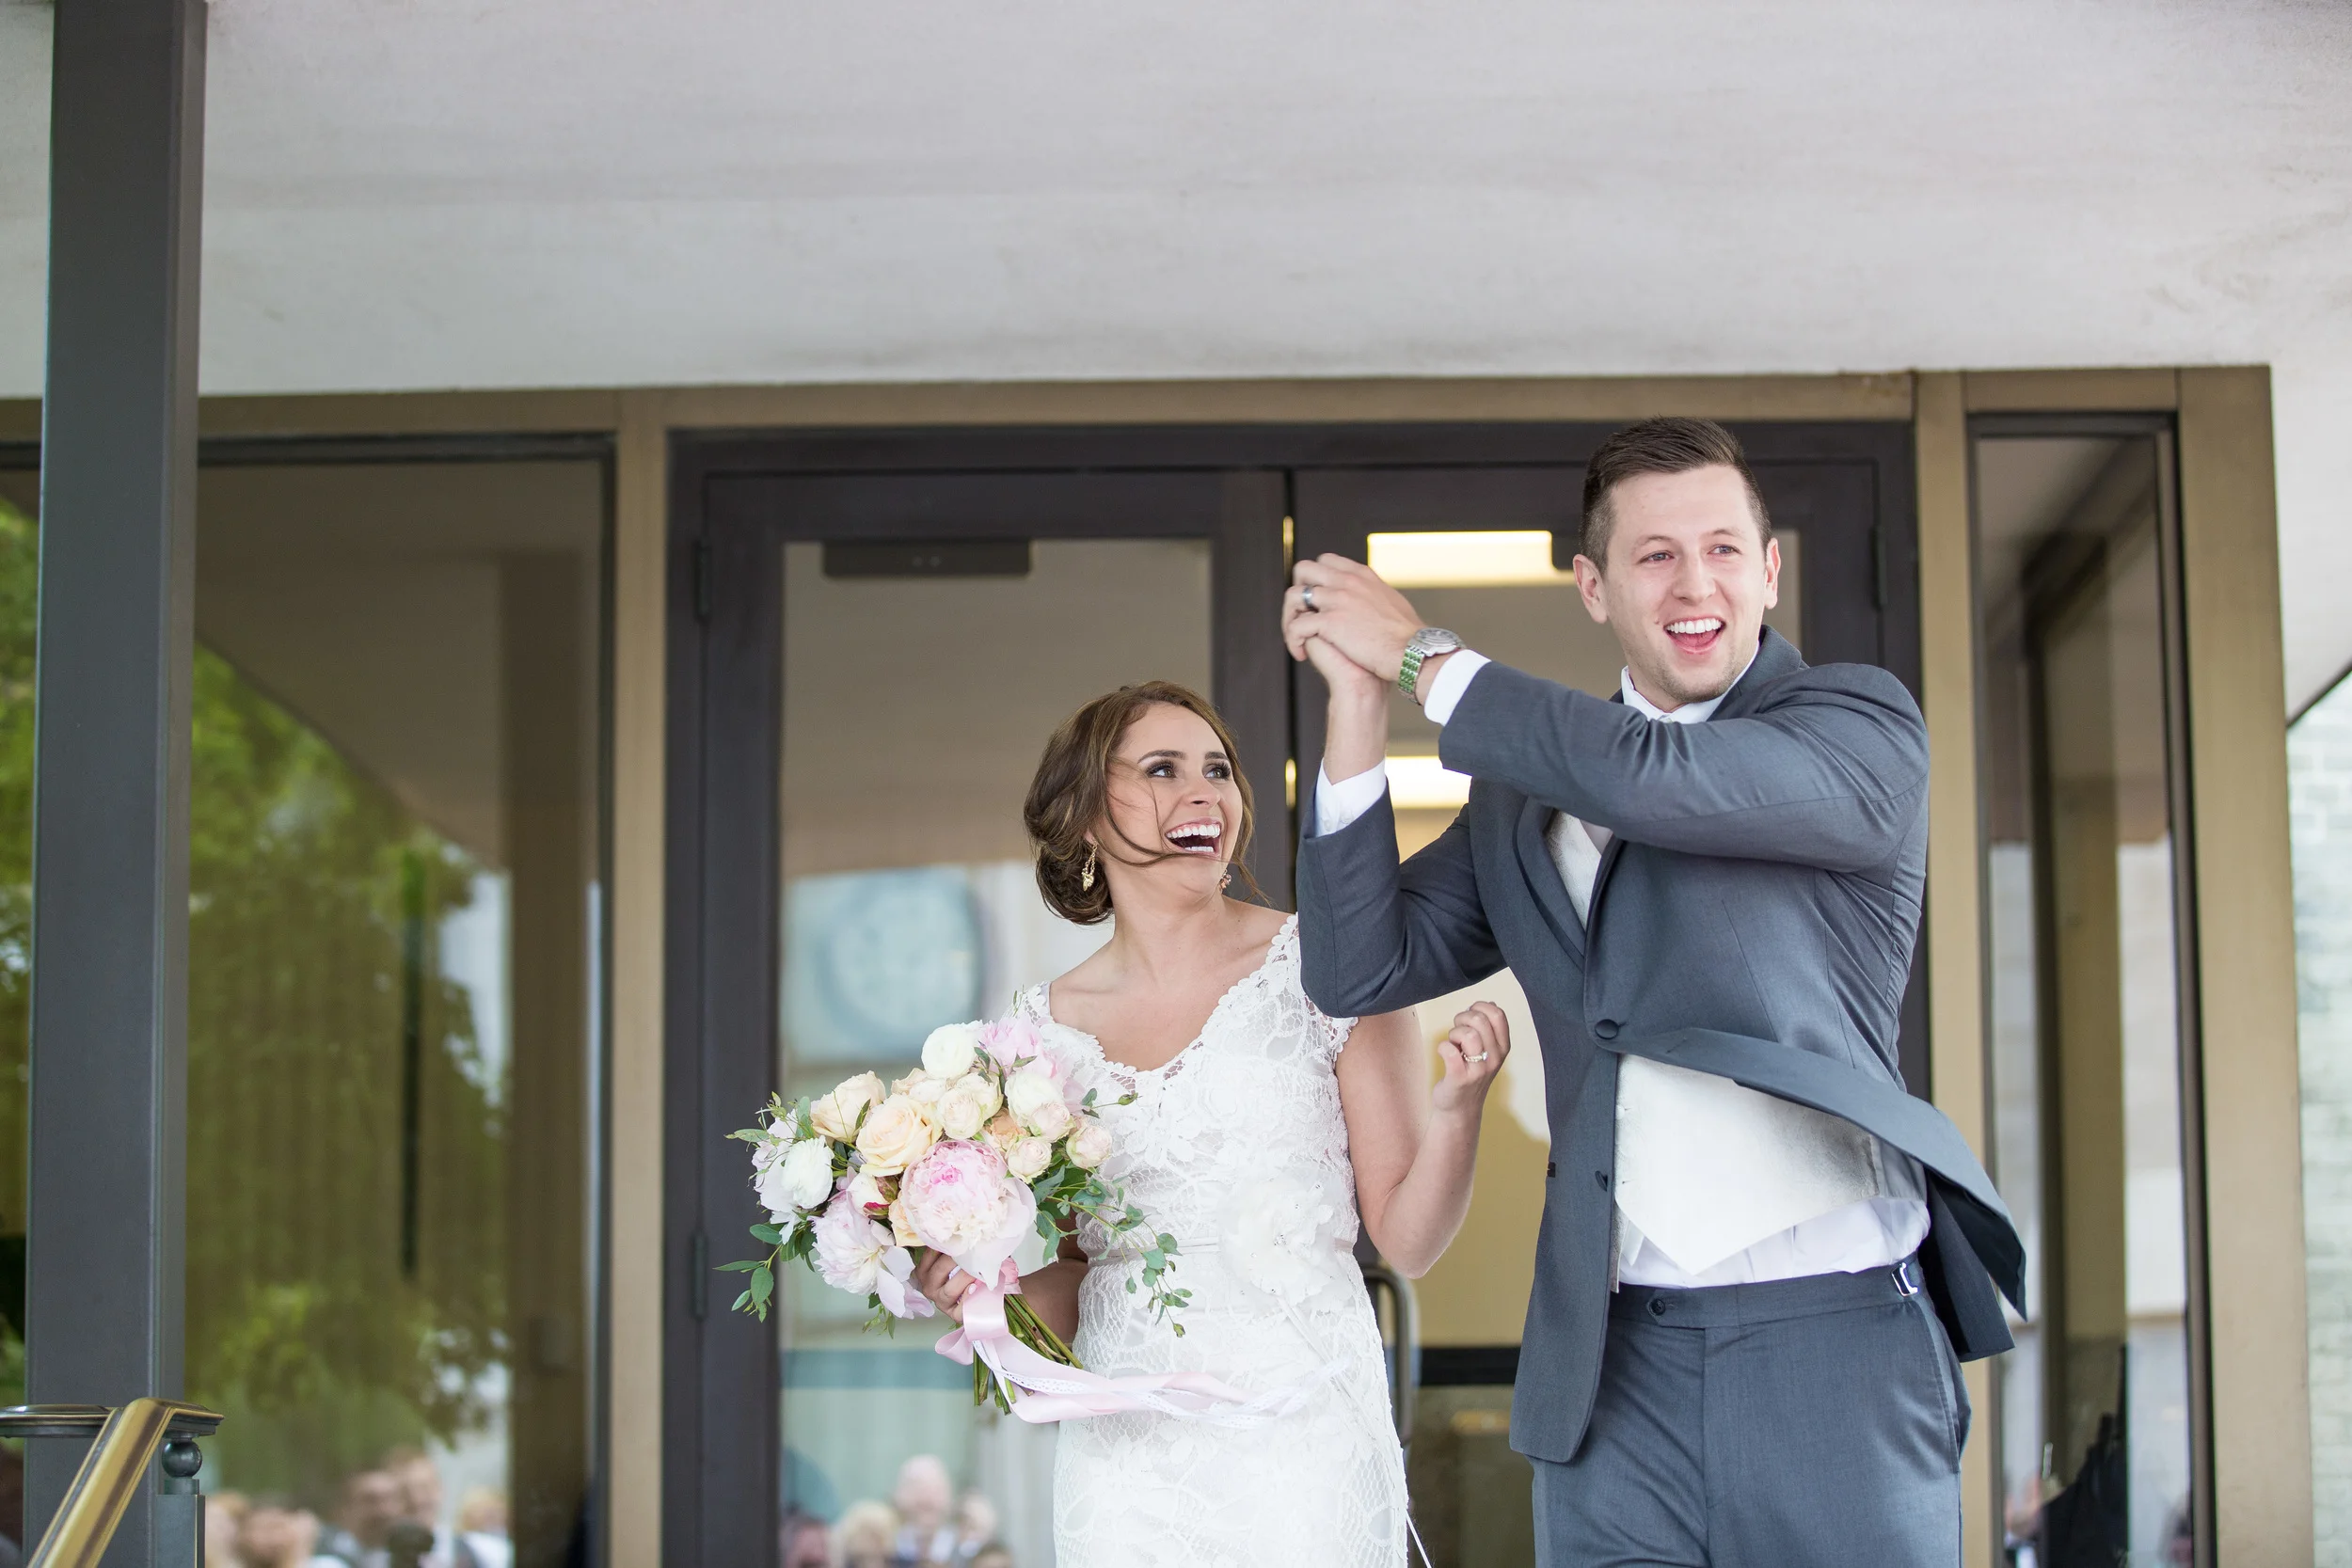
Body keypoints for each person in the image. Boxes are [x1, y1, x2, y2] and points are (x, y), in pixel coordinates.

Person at [1285, 416, 2025, 1568]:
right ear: (1592, 584)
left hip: (1829, 1342)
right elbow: (1356, 968)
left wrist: (1426, 656)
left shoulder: (1856, 727)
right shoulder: (1518, 799)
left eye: (1725, 549)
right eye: (1655, 555)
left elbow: (1661, 781)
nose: (1697, 583)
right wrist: (1355, 708)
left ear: (1769, 567)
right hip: (1610, 1360)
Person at [914, 679, 1513, 1568]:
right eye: (1163, 769)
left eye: (1220, 770)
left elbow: (1410, 1240)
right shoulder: (1037, 1028)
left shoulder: (1331, 963)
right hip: (1125, 1457)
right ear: (1084, 818)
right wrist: (984, 1298)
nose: (1207, 795)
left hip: (1301, 1433)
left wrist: (1458, 1108)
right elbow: (1087, 1267)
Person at [835, 1501, 898, 1568]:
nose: (874, 1543)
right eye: (869, 1534)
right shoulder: (843, 1563)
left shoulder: (899, 1562)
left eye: (878, 1536)